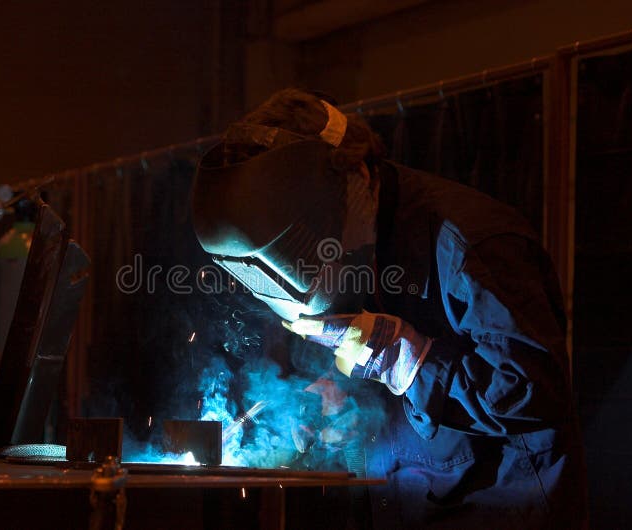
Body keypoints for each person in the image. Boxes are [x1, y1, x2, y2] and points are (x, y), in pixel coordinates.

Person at [191, 88, 586, 529]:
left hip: (504, 511)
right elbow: (388, 381)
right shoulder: (355, 242)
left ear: (356, 172)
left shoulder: (473, 244)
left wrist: (405, 358)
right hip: (409, 508)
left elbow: (537, 392)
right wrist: (344, 395)